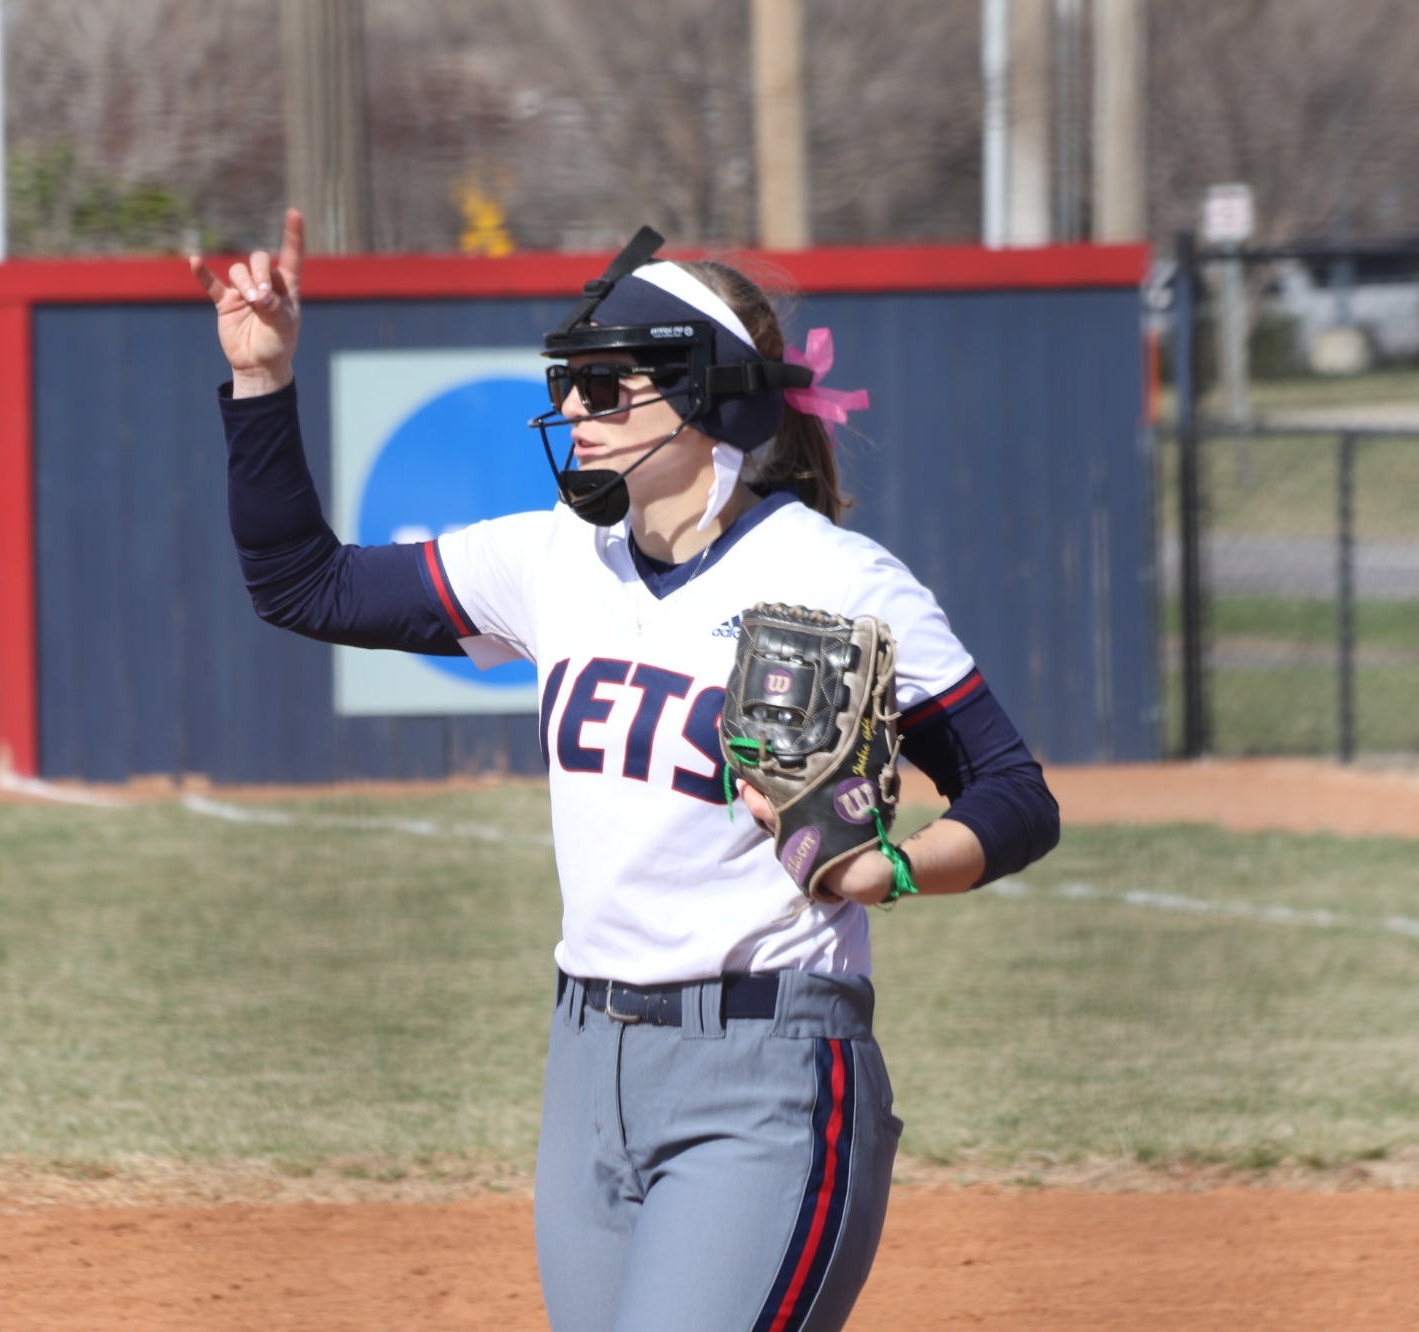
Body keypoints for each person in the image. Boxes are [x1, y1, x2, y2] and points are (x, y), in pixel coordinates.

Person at [191, 211, 1060, 1332]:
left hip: (766, 1066)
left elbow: (1012, 793)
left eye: (609, 389)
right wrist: (261, 382)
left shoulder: (839, 581)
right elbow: (302, 585)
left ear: (709, 399)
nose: (574, 414)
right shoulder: (557, 559)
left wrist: (884, 869)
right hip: (586, 1064)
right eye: (572, 386)